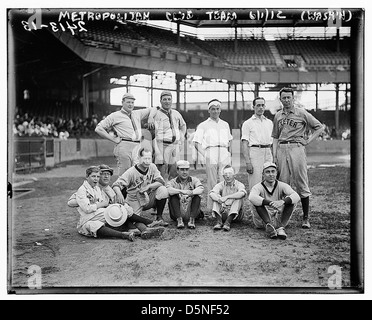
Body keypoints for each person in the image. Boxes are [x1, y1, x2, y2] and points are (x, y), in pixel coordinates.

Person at [272, 87, 324, 229]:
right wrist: (274, 155)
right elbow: (275, 137)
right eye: (284, 98)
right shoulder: (278, 115)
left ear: (293, 98)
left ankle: (305, 217)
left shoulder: (301, 113)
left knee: (301, 182)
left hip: (296, 148)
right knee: (283, 182)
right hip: (282, 148)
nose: (287, 100)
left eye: (289, 97)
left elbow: (320, 127)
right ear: (280, 99)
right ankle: (283, 217)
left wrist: (307, 141)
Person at [68, 165, 165, 239]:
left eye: (108, 174)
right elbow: (71, 202)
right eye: (102, 174)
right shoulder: (87, 188)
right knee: (98, 223)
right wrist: (94, 203)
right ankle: (138, 229)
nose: (105, 177)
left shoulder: (102, 188)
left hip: (105, 215)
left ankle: (145, 229)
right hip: (92, 217)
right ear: (88, 177)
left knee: (123, 210)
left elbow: (112, 203)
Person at [95, 93, 154, 176]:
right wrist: (113, 139)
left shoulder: (137, 113)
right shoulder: (115, 115)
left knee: (137, 173)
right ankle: (121, 189)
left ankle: (135, 189)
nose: (130, 104)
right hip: (124, 145)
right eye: (128, 102)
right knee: (125, 175)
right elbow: (99, 128)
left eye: (132, 102)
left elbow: (154, 109)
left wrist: (150, 117)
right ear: (122, 102)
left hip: (137, 146)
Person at [112, 148, 169, 226]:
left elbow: (161, 181)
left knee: (163, 190)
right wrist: (119, 194)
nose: (147, 161)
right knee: (132, 219)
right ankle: (147, 225)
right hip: (135, 199)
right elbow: (116, 185)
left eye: (149, 158)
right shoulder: (131, 172)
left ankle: (159, 216)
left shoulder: (152, 167)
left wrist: (149, 186)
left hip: (148, 197)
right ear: (139, 158)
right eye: (145, 158)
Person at [192, 99, 233, 210]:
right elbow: (196, 142)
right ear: (209, 110)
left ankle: (226, 206)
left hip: (224, 151)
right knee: (212, 181)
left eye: (217, 109)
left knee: (226, 179)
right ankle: (212, 208)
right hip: (210, 151)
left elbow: (229, 141)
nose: (215, 111)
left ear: (220, 110)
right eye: (213, 109)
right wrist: (204, 154)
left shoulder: (225, 124)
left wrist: (229, 154)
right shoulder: (203, 125)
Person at [241, 97, 273, 227]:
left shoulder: (269, 122)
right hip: (255, 152)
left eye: (262, 105)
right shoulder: (248, 123)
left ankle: (269, 218)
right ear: (253, 107)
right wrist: (248, 162)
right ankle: (258, 221)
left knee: (269, 185)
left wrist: (273, 158)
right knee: (255, 186)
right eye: (258, 105)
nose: (260, 107)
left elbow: (273, 142)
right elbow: (244, 143)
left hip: (268, 152)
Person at [248, 162, 300, 240]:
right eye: (267, 172)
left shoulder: (282, 185)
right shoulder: (258, 187)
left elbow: (296, 196)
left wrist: (283, 201)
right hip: (263, 219)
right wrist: (269, 202)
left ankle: (280, 228)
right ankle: (269, 226)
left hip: (278, 217)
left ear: (276, 173)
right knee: (256, 201)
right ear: (263, 174)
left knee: (291, 200)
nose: (271, 174)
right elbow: (251, 197)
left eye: (273, 171)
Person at [148, 90, 187, 181]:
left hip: (174, 145)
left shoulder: (176, 113)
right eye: (164, 99)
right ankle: (159, 193)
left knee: (174, 171)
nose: (167, 101)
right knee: (159, 172)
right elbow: (152, 134)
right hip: (161, 144)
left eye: (169, 99)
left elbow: (183, 126)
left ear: (171, 101)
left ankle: (171, 192)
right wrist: (156, 149)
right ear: (160, 101)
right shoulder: (156, 113)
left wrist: (181, 138)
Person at [166, 160, 204, 229]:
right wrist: (182, 192)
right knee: (173, 195)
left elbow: (201, 188)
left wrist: (191, 193)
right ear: (177, 171)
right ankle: (179, 220)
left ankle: (192, 220)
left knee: (197, 196)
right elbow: (168, 190)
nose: (185, 172)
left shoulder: (194, 180)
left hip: (191, 210)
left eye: (186, 170)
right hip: (177, 212)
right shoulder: (173, 181)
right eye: (182, 170)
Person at [209, 165, 246, 231]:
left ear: (234, 175)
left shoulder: (239, 184)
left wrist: (226, 197)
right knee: (216, 198)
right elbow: (212, 193)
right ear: (223, 176)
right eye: (225, 174)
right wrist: (219, 199)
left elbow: (242, 193)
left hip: (236, 215)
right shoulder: (220, 184)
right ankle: (219, 222)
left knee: (238, 199)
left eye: (230, 173)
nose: (228, 176)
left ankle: (227, 223)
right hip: (223, 212)